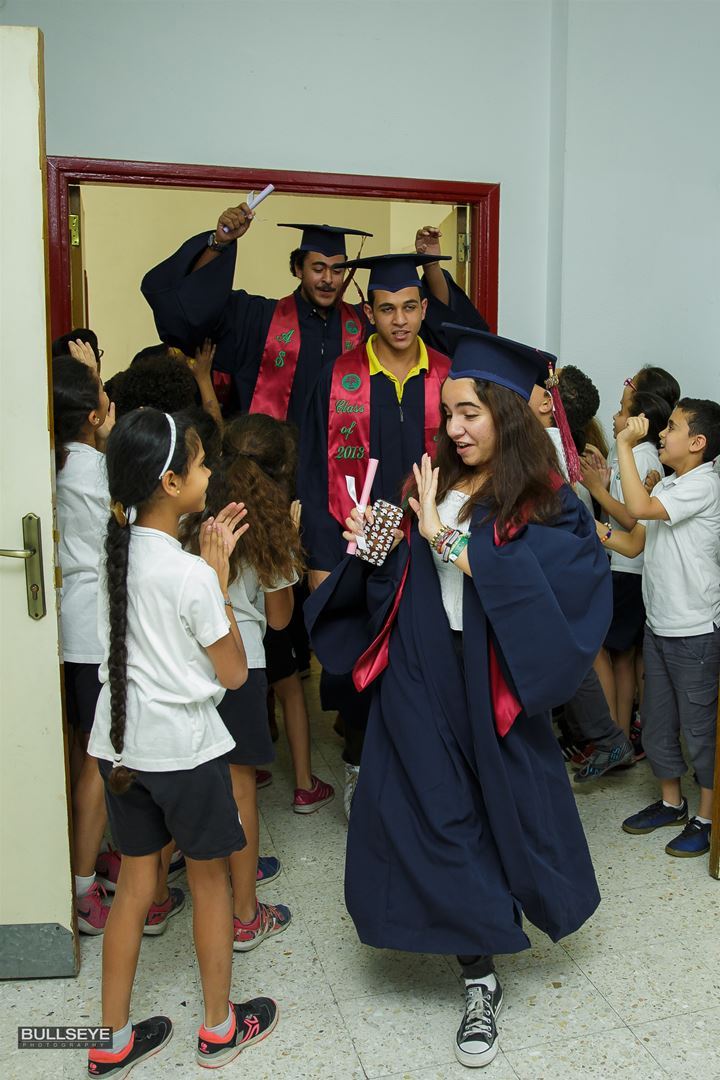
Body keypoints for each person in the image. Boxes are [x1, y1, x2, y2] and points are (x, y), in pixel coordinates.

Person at [305, 325, 612, 1068]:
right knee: (432, 813)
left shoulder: (547, 501)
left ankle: (492, 936)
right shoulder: (427, 479)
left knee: (495, 810)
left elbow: (556, 589)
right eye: (448, 412)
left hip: (492, 678)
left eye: (470, 411)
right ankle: (479, 974)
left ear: (505, 412)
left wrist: (446, 539)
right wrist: (376, 542)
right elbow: (391, 583)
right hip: (418, 668)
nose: (455, 427)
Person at [86, 408, 277, 1076]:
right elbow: (230, 673)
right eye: (197, 465)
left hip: (121, 747)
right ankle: (221, 1028)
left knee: (136, 886)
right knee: (210, 882)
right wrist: (218, 582)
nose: (206, 473)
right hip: (185, 753)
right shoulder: (192, 575)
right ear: (169, 482)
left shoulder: (118, 548)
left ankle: (109, 1040)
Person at [298, 252, 454, 812]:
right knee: (362, 661)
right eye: (387, 308)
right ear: (368, 311)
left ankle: (427, 776)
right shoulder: (340, 377)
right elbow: (315, 475)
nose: (400, 320)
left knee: (425, 657)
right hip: (356, 544)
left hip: (429, 541)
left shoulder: (447, 375)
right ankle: (360, 768)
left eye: (410, 307)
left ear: (422, 307)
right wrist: (320, 553)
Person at [141, 208, 483, 426]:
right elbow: (196, 313)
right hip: (271, 471)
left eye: (337, 270)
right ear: (297, 268)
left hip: (346, 469)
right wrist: (219, 243)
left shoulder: (367, 327)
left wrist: (432, 266)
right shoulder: (258, 319)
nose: (327, 280)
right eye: (317, 268)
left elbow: (441, 334)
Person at [597, 400, 720, 859]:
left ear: (697, 443)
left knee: (700, 732)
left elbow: (639, 508)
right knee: (657, 724)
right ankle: (672, 803)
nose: (662, 434)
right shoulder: (673, 484)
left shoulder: (705, 486)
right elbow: (632, 542)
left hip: (695, 632)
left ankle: (708, 818)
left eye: (671, 427)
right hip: (660, 625)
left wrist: (625, 444)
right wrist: (591, 529)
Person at [53, 355, 114, 934]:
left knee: (79, 745)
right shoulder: (100, 469)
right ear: (94, 414)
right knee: (101, 753)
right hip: (98, 626)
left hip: (68, 624)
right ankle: (82, 886)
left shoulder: (52, 464)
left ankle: (87, 854)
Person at [582, 390, 671, 739]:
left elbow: (636, 522)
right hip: (619, 562)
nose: (615, 418)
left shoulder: (643, 457)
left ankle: (617, 736)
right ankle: (619, 736)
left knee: (616, 654)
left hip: (627, 570)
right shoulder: (633, 455)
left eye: (622, 411)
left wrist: (598, 493)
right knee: (620, 657)